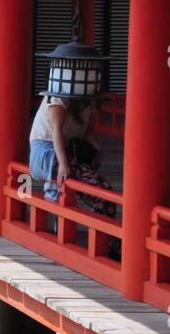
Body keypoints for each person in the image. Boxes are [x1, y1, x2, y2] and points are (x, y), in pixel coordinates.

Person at [28, 92, 120, 258]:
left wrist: (99, 148)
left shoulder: (89, 101)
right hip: (46, 150)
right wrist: (63, 163)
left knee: (103, 192)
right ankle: (61, 235)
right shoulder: (57, 95)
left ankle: (105, 245)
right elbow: (56, 130)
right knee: (66, 182)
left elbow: (87, 132)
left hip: (69, 151)